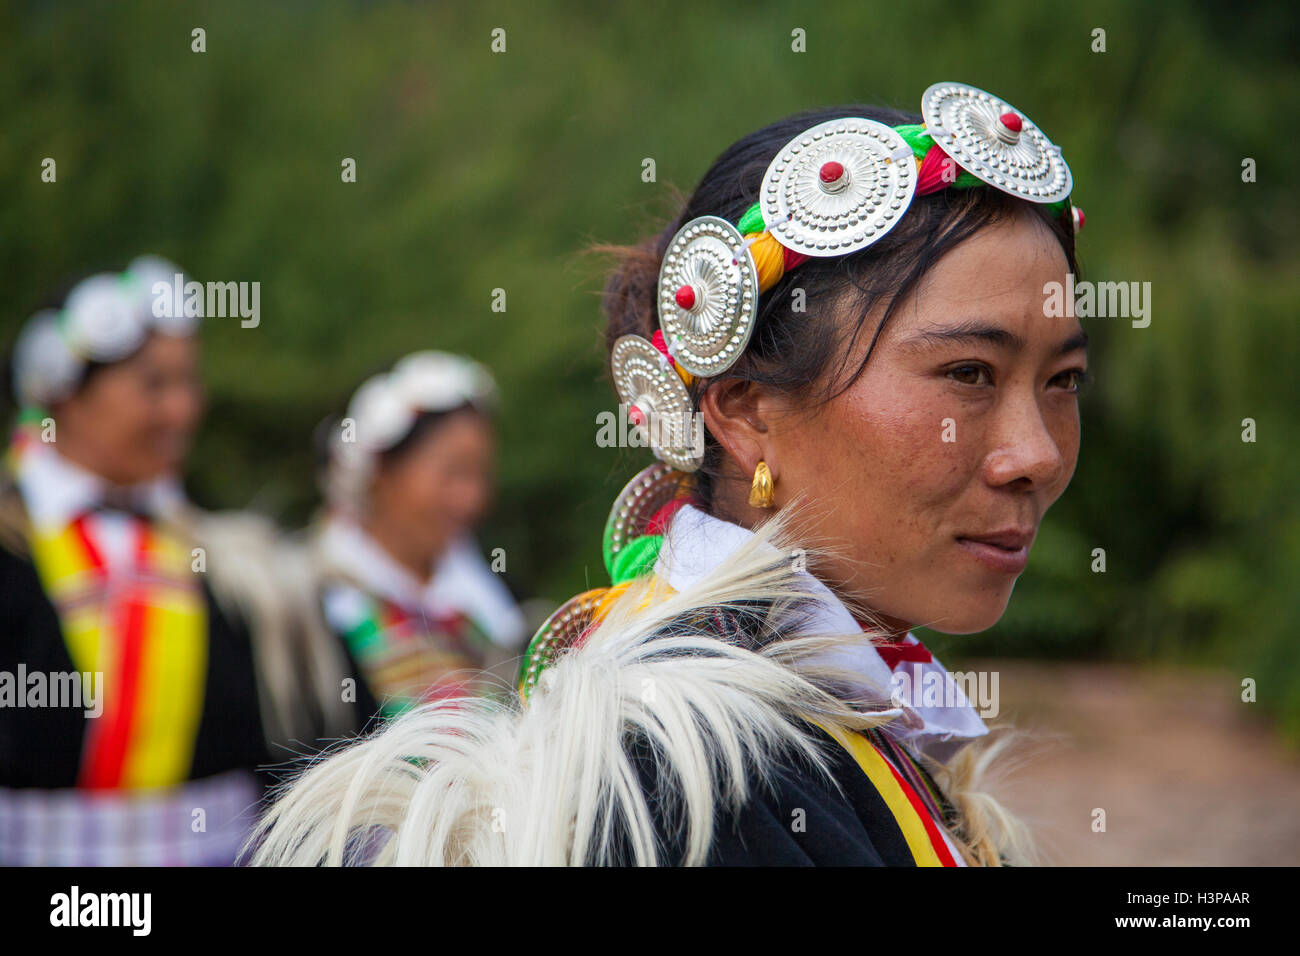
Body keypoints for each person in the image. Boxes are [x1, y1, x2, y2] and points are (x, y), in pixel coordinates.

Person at [250, 82, 1088, 866]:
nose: (1038, 455)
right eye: (969, 374)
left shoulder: (815, 726)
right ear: (747, 410)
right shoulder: (691, 791)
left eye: (1063, 383)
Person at [0, 259, 351, 865]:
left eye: (190, 382)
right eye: (153, 385)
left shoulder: (240, 567)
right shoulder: (13, 553)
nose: (182, 410)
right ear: (62, 392)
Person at [306, 351, 527, 725]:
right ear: (382, 471)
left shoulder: (493, 602)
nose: (471, 498)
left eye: (480, 474)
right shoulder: (318, 608)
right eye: (452, 474)